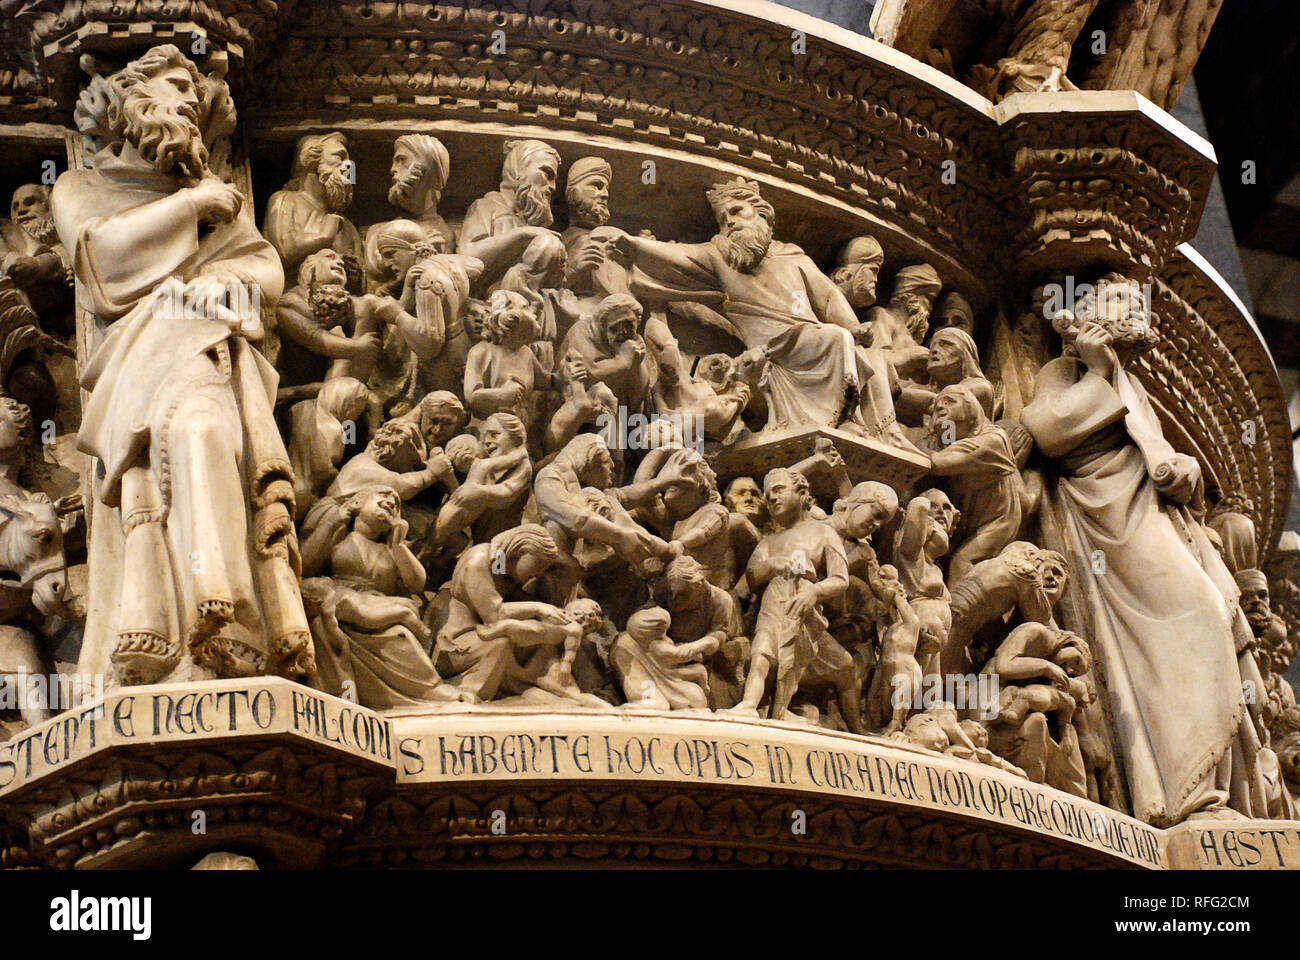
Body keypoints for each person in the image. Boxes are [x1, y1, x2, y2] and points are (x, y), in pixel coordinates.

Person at [51, 45, 311, 683]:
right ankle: (184, 628)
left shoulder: (217, 195)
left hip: (205, 352)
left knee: (208, 436)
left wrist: (219, 279)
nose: (190, 103)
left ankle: (225, 619)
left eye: (196, 95)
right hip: (135, 362)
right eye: (175, 88)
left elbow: (264, 269)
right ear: (136, 99)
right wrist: (190, 210)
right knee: (166, 463)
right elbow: (103, 265)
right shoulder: (82, 186)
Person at [1022, 272, 1265, 824]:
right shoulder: (1065, 371)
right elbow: (1048, 430)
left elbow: (1154, 454)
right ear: (1088, 320)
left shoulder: (1131, 383)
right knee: (1194, 620)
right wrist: (1100, 369)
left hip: (1147, 517)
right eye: (1119, 305)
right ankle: (1190, 795)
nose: (1133, 314)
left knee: (1206, 622)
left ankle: (1203, 790)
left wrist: (1186, 471)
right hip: (1110, 521)